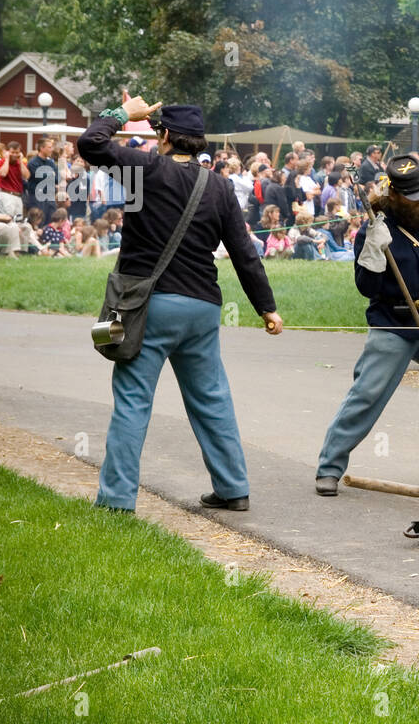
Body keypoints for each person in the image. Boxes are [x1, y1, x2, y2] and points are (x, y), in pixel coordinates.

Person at [78, 94, 282, 513]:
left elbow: (90, 144)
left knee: (134, 400)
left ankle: (116, 501)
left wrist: (123, 116)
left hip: (149, 305)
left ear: (166, 135)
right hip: (202, 308)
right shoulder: (221, 186)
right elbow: (244, 253)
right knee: (212, 398)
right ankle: (233, 489)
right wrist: (267, 307)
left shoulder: (145, 169)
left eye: (156, 133)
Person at [314, 155, 419, 496]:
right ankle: (329, 467)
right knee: (367, 394)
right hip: (393, 324)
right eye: (413, 195)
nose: (418, 201)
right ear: (394, 194)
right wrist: (373, 254)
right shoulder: (375, 227)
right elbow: (367, 289)